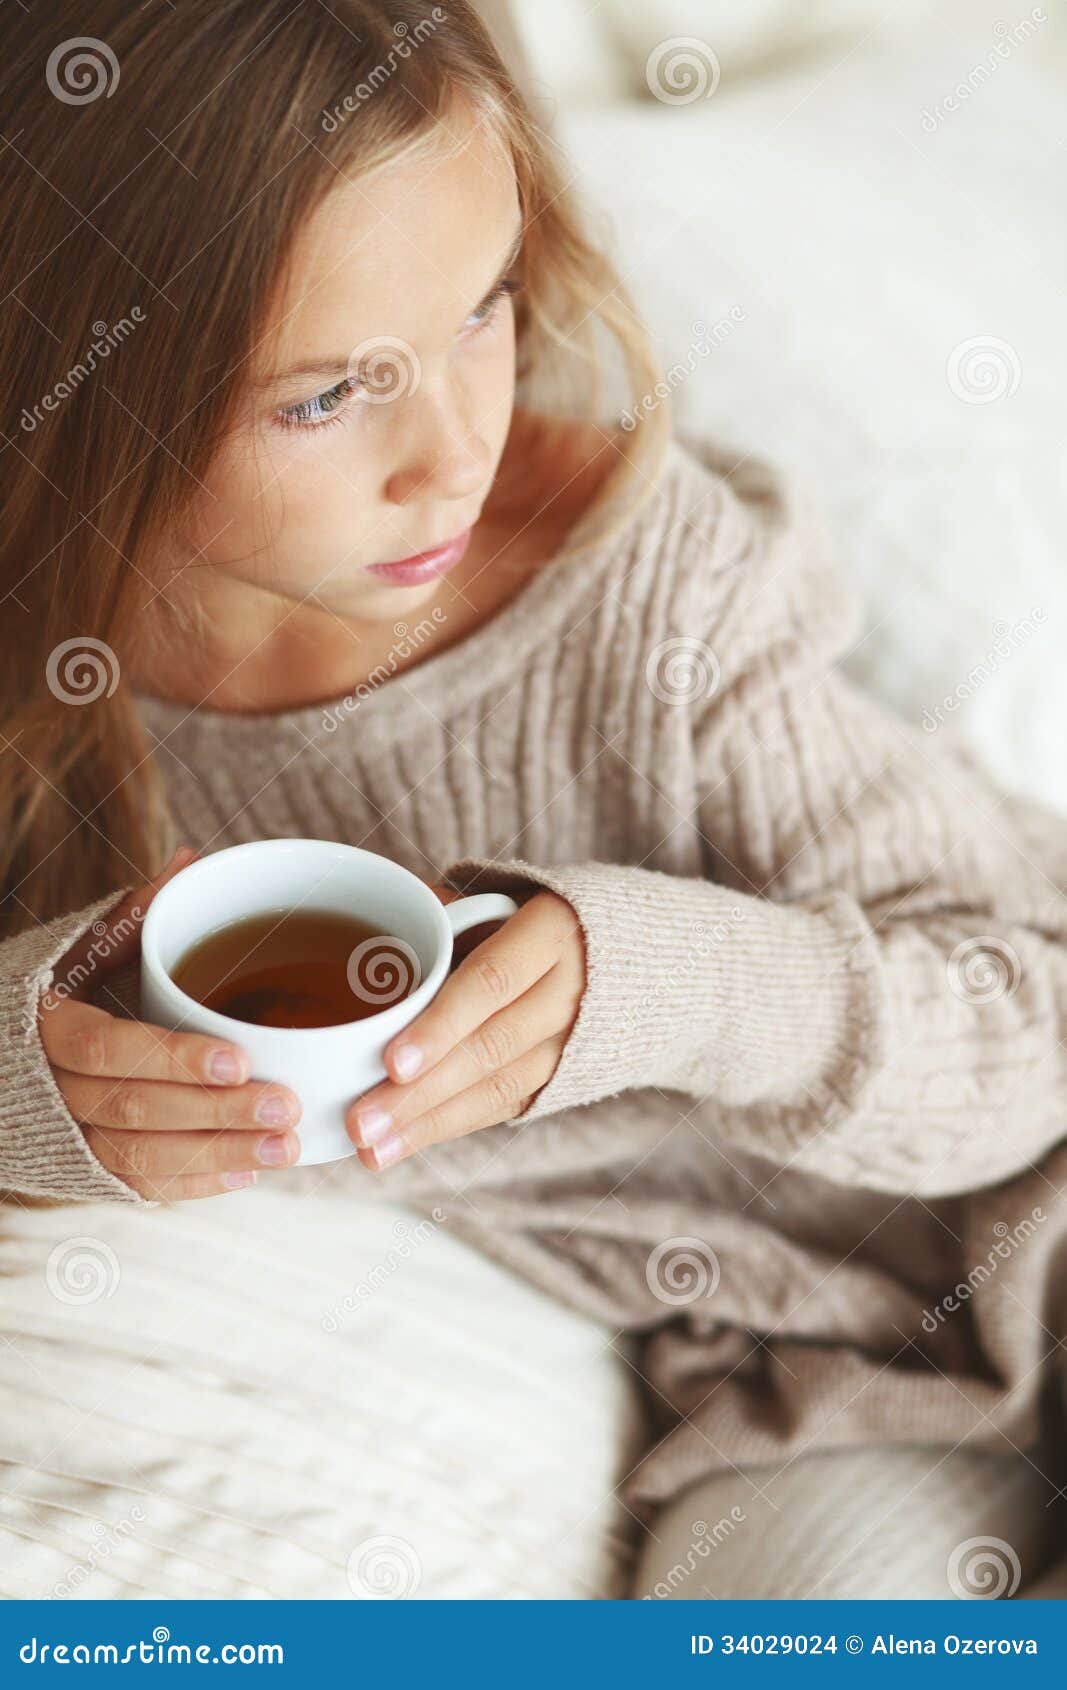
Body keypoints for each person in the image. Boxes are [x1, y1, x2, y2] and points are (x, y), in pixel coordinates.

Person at [2, 0, 1066, 1599]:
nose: (454, 448)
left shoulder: (652, 595)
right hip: (809, 1382)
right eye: (321, 397)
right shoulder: (51, 666)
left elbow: (1029, 1013)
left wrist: (657, 984)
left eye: (486, 308)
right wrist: (36, 1077)